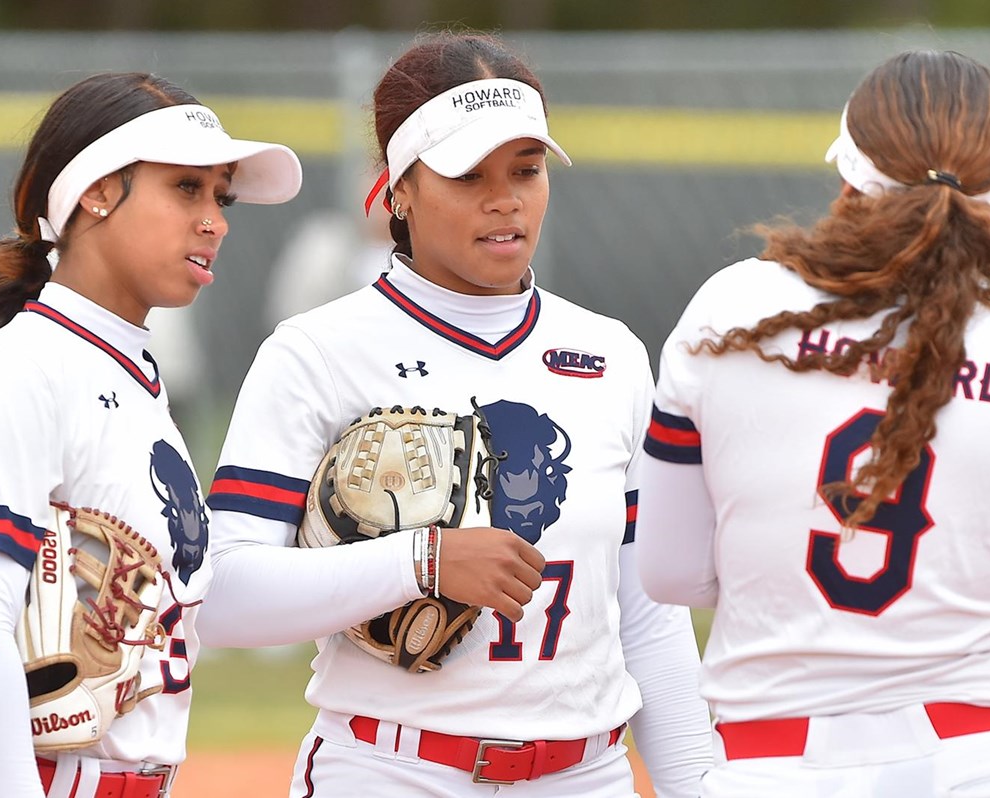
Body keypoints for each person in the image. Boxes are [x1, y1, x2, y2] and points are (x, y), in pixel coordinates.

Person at [198, 32, 713, 798]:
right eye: (468, 174)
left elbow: (648, 617)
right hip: (392, 771)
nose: (504, 198)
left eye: (526, 169)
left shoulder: (609, 354)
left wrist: (695, 784)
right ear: (398, 189)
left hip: (588, 775)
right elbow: (220, 598)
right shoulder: (318, 351)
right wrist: (422, 562)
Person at [635, 50, 990, 798]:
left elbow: (670, 572)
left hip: (772, 767)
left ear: (849, 175)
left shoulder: (730, 309)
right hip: (987, 766)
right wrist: (965, 620)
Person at [0, 73, 302, 798]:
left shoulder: (128, 376)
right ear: (95, 191)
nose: (214, 221)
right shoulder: (18, 370)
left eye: (220, 197)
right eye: (186, 188)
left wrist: (417, 563)